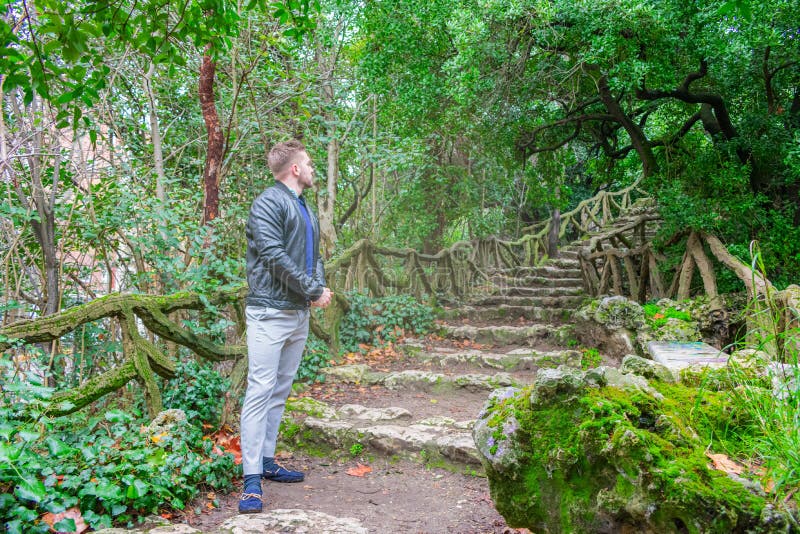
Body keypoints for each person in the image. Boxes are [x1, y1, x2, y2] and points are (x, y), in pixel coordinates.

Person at [238, 140, 333, 514]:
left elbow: (314, 255)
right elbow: (273, 256)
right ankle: (250, 481)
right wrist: (312, 288)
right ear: (295, 169)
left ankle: (266, 460)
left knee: (279, 389)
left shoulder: (303, 206)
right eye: (308, 164)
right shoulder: (267, 203)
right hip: (268, 312)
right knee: (260, 389)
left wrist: (316, 288)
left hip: (297, 312)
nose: (312, 169)